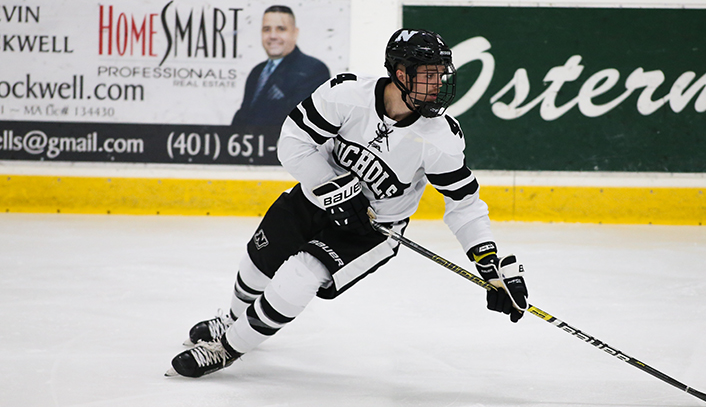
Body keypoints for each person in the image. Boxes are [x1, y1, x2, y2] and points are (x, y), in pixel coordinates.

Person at [167, 28, 529, 378]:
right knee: (259, 258)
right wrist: (335, 188)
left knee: (301, 274)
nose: (439, 84)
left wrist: (489, 264)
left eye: (441, 74)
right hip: (316, 197)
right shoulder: (348, 95)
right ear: (401, 74)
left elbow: (464, 204)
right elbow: (292, 141)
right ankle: (233, 320)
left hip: (371, 230)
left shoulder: (440, 139)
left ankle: (226, 349)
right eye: (429, 75)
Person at [231, 5, 330, 131]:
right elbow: (244, 115)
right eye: (266, 29)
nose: (272, 36)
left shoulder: (314, 70)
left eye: (281, 29)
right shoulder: (257, 72)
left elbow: (300, 124)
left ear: (295, 33)